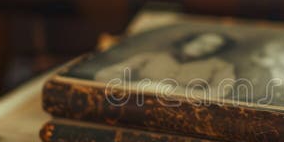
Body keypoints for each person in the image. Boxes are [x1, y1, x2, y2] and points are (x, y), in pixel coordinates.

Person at [94, 32, 237, 100]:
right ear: (188, 40)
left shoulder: (221, 67)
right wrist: (136, 86)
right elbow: (104, 75)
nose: (205, 48)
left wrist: (174, 91)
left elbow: (219, 92)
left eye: (213, 47)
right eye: (202, 42)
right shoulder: (150, 57)